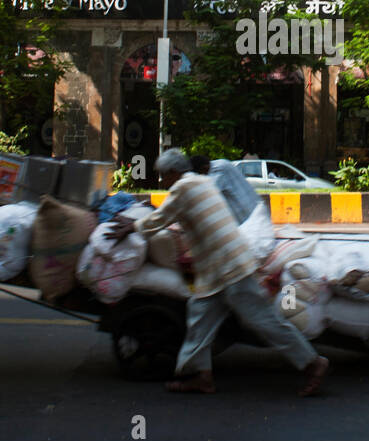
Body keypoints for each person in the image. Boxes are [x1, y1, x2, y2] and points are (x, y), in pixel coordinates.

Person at [111, 148, 329, 396]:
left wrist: (133, 226)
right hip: (218, 269)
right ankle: (201, 376)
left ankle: (313, 363)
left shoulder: (184, 188)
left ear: (173, 172)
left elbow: (161, 217)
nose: (162, 181)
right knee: (199, 318)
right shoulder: (202, 183)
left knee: (264, 320)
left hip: (230, 267)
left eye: (163, 176)